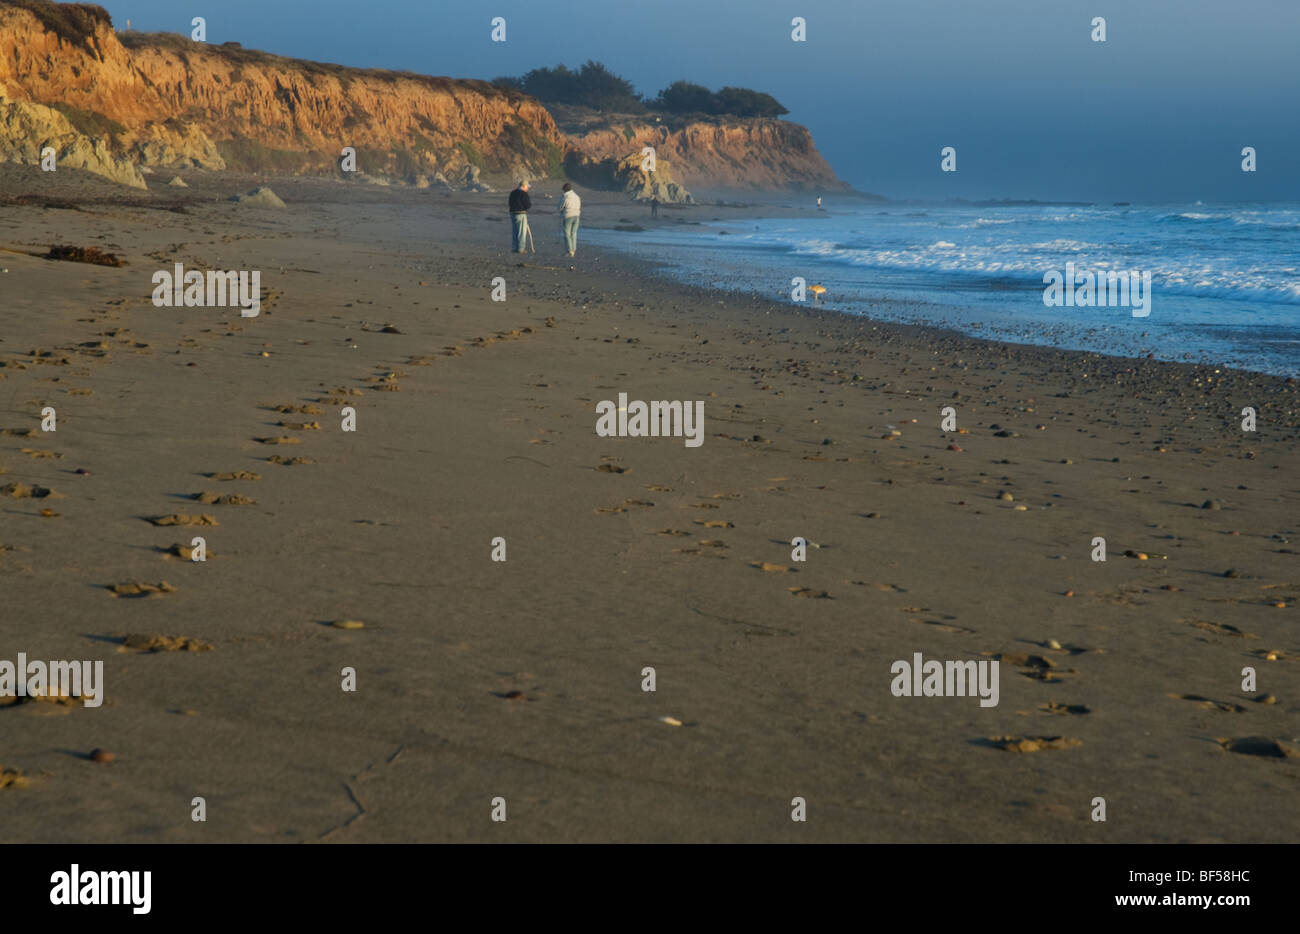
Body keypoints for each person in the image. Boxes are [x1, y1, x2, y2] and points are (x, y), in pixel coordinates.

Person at [558, 182, 581, 257]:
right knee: (573, 233)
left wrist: (561, 211)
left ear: (564, 190)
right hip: (577, 216)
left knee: (567, 234)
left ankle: (569, 250)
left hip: (568, 216)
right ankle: (573, 250)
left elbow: (560, 207)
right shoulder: (577, 196)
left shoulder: (565, 197)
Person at [509, 180, 532, 253]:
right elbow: (528, 205)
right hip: (521, 213)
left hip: (513, 213)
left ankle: (514, 248)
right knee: (521, 232)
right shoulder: (524, 194)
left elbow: (509, 202)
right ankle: (521, 249)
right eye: (527, 187)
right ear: (524, 186)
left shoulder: (513, 192)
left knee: (515, 231)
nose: (528, 188)